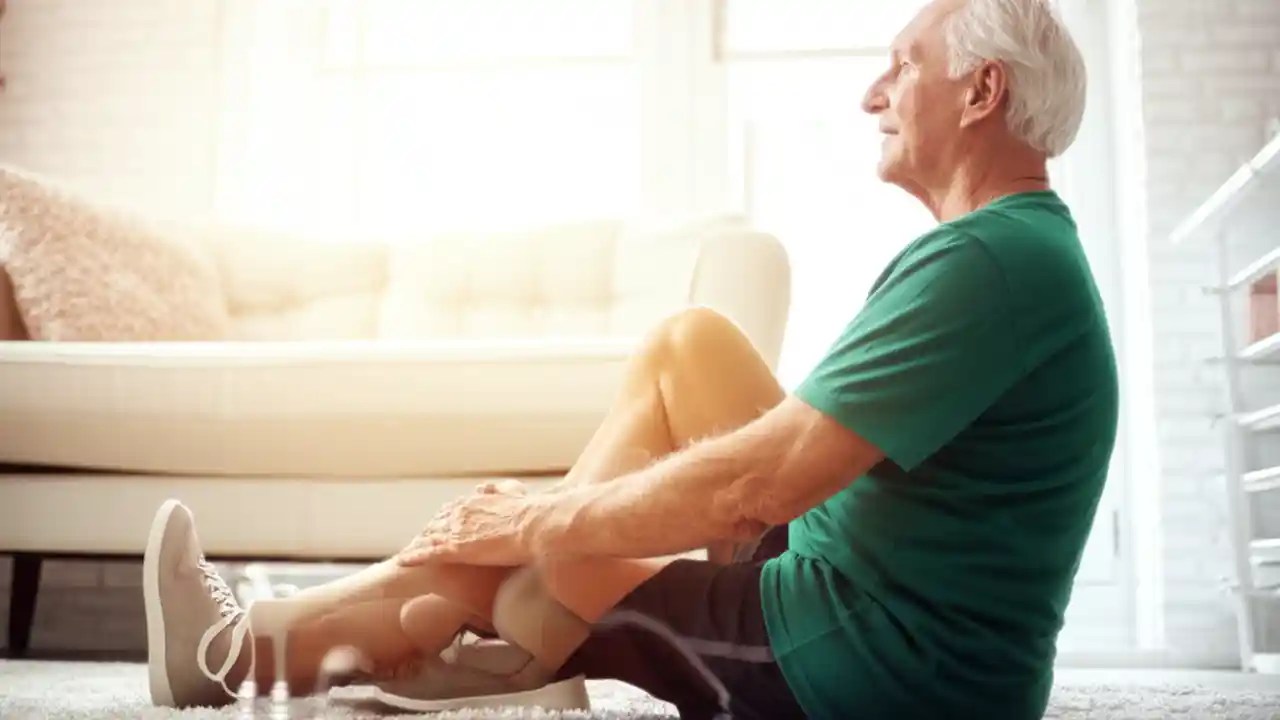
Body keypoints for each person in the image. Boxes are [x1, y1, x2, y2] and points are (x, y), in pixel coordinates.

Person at [143, 0, 1116, 717]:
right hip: (879, 611)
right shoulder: (1012, 249)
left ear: (982, 89)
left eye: (902, 65)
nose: (872, 92)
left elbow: (757, 485)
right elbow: (798, 459)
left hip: (862, 674)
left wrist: (536, 527)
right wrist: (552, 531)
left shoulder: (986, 265)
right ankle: (532, 650)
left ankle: (231, 657)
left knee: (514, 573)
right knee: (684, 348)